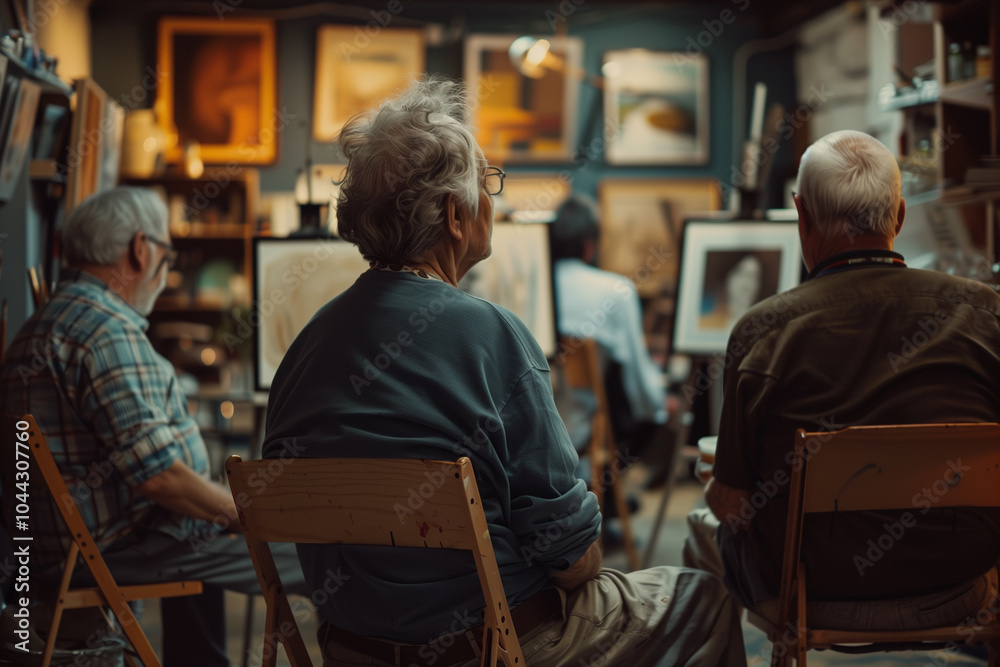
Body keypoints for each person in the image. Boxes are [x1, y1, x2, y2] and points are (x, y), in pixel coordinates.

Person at [263, 76, 746, 667]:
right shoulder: (491, 335)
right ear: (455, 216)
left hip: (350, 647)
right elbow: (571, 559)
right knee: (706, 596)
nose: (491, 199)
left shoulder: (304, 348)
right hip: (496, 646)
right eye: (486, 185)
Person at [686, 129, 1000, 632]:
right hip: (962, 587)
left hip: (808, 594)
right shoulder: (986, 314)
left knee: (701, 529)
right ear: (899, 215)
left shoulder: (763, 330)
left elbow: (734, 505)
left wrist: (713, 486)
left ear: (801, 216)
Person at [0, 187, 309, 667]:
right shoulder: (103, 332)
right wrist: (244, 512)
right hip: (106, 553)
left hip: (73, 549)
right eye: (167, 254)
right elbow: (160, 476)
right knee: (314, 552)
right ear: (140, 250)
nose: (165, 277)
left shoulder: (45, 323)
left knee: (208, 524)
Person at [551, 193, 668, 455]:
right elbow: (636, 376)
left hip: (534, 424)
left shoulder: (530, 290)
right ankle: (612, 491)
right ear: (589, 245)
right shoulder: (616, 290)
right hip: (587, 427)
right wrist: (658, 404)